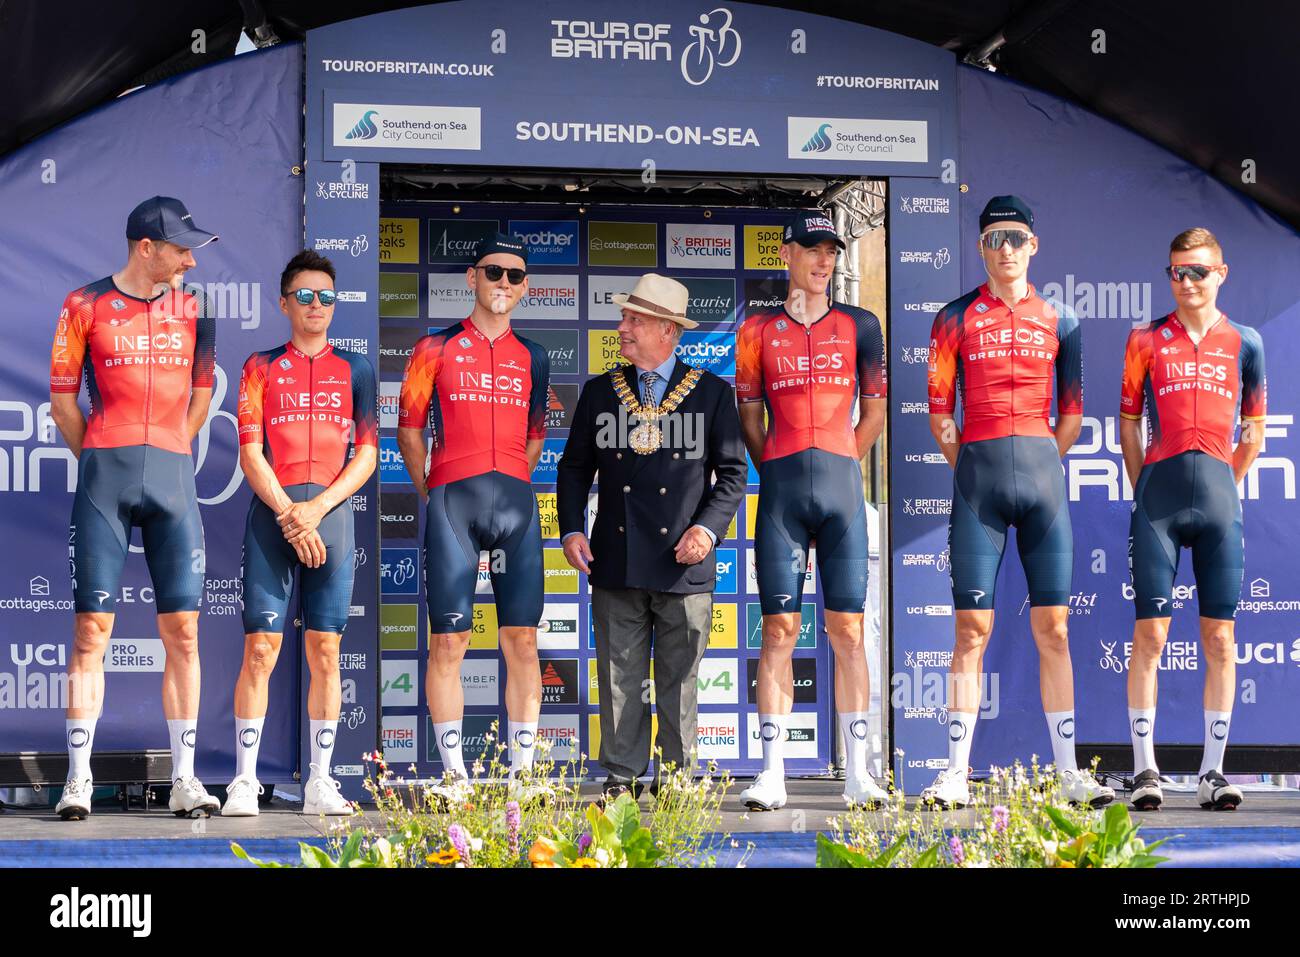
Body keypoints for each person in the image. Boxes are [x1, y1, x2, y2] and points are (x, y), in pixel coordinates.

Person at [921, 195, 1113, 809]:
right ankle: (954, 773)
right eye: (994, 238)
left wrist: (1035, 461)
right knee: (971, 629)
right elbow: (938, 412)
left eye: (1016, 237)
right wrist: (975, 463)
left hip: (1042, 484)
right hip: (978, 481)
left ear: (1034, 246)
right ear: (981, 247)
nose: (1006, 248)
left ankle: (1068, 772)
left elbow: (1074, 414)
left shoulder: (1065, 320)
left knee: (1053, 628)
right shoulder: (952, 317)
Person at [49, 196, 219, 820]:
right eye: (181, 249)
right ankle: (77, 780)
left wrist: (175, 447)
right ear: (146, 247)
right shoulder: (83, 304)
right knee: (91, 631)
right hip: (106, 476)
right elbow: (64, 402)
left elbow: (203, 392)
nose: (190, 261)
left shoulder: (195, 308)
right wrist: (98, 455)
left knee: (185, 632)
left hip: (173, 477)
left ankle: (184, 778)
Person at [557, 274, 745, 802]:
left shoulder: (711, 393)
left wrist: (707, 532)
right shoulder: (600, 391)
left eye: (634, 321)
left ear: (668, 330)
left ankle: (678, 778)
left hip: (685, 562)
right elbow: (573, 469)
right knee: (618, 675)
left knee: (680, 678)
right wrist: (571, 527)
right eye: (625, 318)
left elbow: (732, 475)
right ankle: (620, 775)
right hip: (615, 555)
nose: (622, 328)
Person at [734, 212, 888, 810]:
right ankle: (771, 772)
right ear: (787, 253)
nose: (824, 261)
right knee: (778, 631)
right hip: (782, 493)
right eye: (813, 250)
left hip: (843, 490)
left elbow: (872, 411)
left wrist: (846, 458)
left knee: (848, 632)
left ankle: (858, 771)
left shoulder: (861, 325)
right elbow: (750, 417)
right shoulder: (755, 331)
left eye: (832, 251)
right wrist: (774, 465)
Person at [222, 250, 377, 817]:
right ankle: (242, 781)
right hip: (274, 514)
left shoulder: (357, 369)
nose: (317, 305)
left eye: (327, 296)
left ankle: (320, 779)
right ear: (284, 302)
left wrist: (317, 510)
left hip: (331, 519)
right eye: (306, 296)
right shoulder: (259, 366)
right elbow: (249, 451)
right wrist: (292, 513)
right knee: (261, 650)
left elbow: (366, 455)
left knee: (326, 651)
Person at [397, 234, 550, 800]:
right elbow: (409, 432)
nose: (503, 284)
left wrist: (509, 476)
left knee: (523, 640)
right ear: (472, 278)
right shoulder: (432, 348)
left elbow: (536, 438)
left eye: (514, 276)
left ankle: (524, 777)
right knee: (449, 642)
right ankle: (454, 776)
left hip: (515, 505)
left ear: (525, 286)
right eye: (493, 273)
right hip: (451, 503)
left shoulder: (534, 355)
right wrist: (435, 491)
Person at [1120, 228, 1266, 812]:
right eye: (1176, 272)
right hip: (1157, 500)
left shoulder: (1246, 342)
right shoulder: (1145, 340)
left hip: (1219, 505)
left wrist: (1225, 486)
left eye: (1197, 272)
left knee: (1221, 639)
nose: (1185, 283)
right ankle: (1146, 769)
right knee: (1150, 635)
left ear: (1220, 274)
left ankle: (1212, 771)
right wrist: (1144, 485)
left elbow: (1253, 430)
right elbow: (1129, 421)